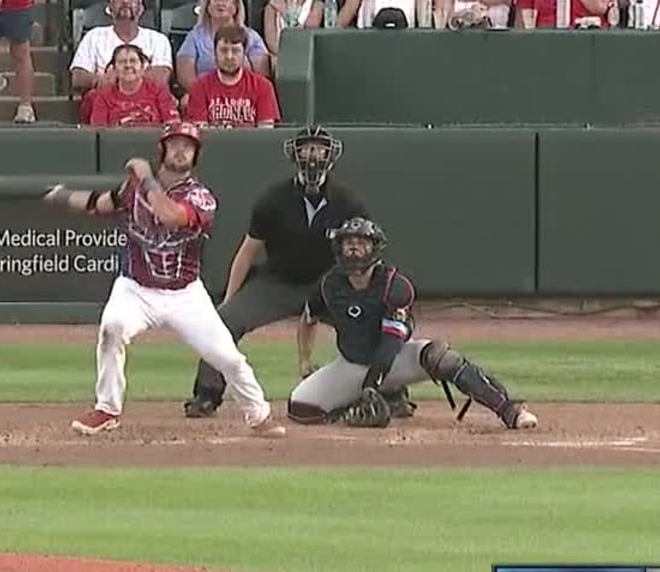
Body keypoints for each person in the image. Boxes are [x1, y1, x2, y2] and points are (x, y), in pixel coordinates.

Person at [41, 122, 288, 438]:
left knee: (227, 356)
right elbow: (100, 203)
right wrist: (61, 196)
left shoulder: (201, 197)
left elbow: (170, 215)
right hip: (136, 287)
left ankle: (259, 415)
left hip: (184, 292)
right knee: (112, 328)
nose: (182, 150)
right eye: (175, 144)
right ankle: (107, 409)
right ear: (163, 149)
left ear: (196, 154)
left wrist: (145, 177)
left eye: (189, 145)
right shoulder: (133, 189)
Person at [183, 126, 368, 418]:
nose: (312, 155)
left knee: (370, 324)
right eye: (306, 148)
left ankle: (390, 392)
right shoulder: (274, 199)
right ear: (294, 153)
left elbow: (362, 256)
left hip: (329, 284)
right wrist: (230, 299)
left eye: (318, 148)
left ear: (330, 154)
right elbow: (247, 252)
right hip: (278, 281)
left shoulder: (348, 202)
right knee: (223, 322)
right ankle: (207, 394)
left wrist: (362, 296)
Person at [288, 217, 540, 430]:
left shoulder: (394, 285)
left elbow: (391, 342)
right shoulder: (329, 284)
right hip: (352, 364)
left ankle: (510, 411)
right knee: (301, 407)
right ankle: (385, 399)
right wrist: (304, 361)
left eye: (361, 243)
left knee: (441, 358)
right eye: (348, 243)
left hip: (396, 361)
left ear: (374, 248)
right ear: (338, 249)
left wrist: (371, 385)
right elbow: (307, 319)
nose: (354, 248)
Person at [84, 43, 179, 127]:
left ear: (142, 67)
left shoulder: (159, 90)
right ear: (114, 69)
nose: (128, 66)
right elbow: (99, 131)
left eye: (133, 61)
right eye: (122, 62)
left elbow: (172, 125)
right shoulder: (104, 96)